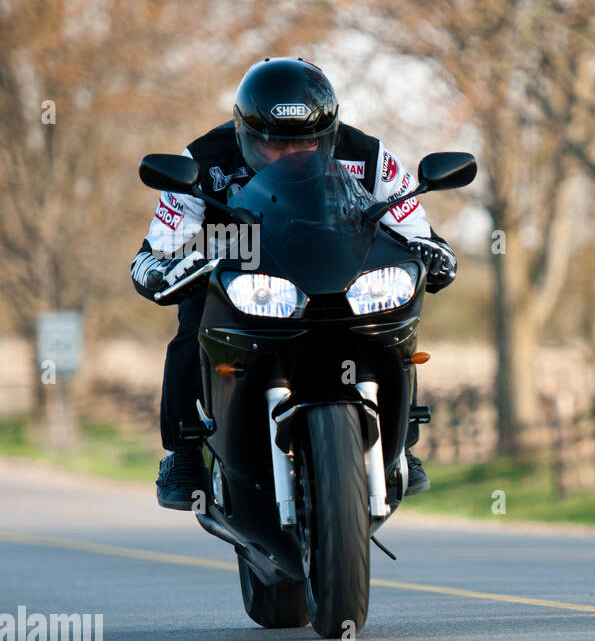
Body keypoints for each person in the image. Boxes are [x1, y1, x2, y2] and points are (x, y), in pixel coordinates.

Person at [130, 57, 454, 509]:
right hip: (243, 273)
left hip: (337, 269)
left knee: (395, 307)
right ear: (244, 132)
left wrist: (434, 253)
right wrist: (166, 270)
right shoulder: (202, 159)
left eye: (308, 143)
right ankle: (182, 451)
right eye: (275, 146)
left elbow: (415, 228)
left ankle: (402, 443)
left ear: (330, 132)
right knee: (192, 316)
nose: (292, 155)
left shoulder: (368, 154)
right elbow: (155, 251)